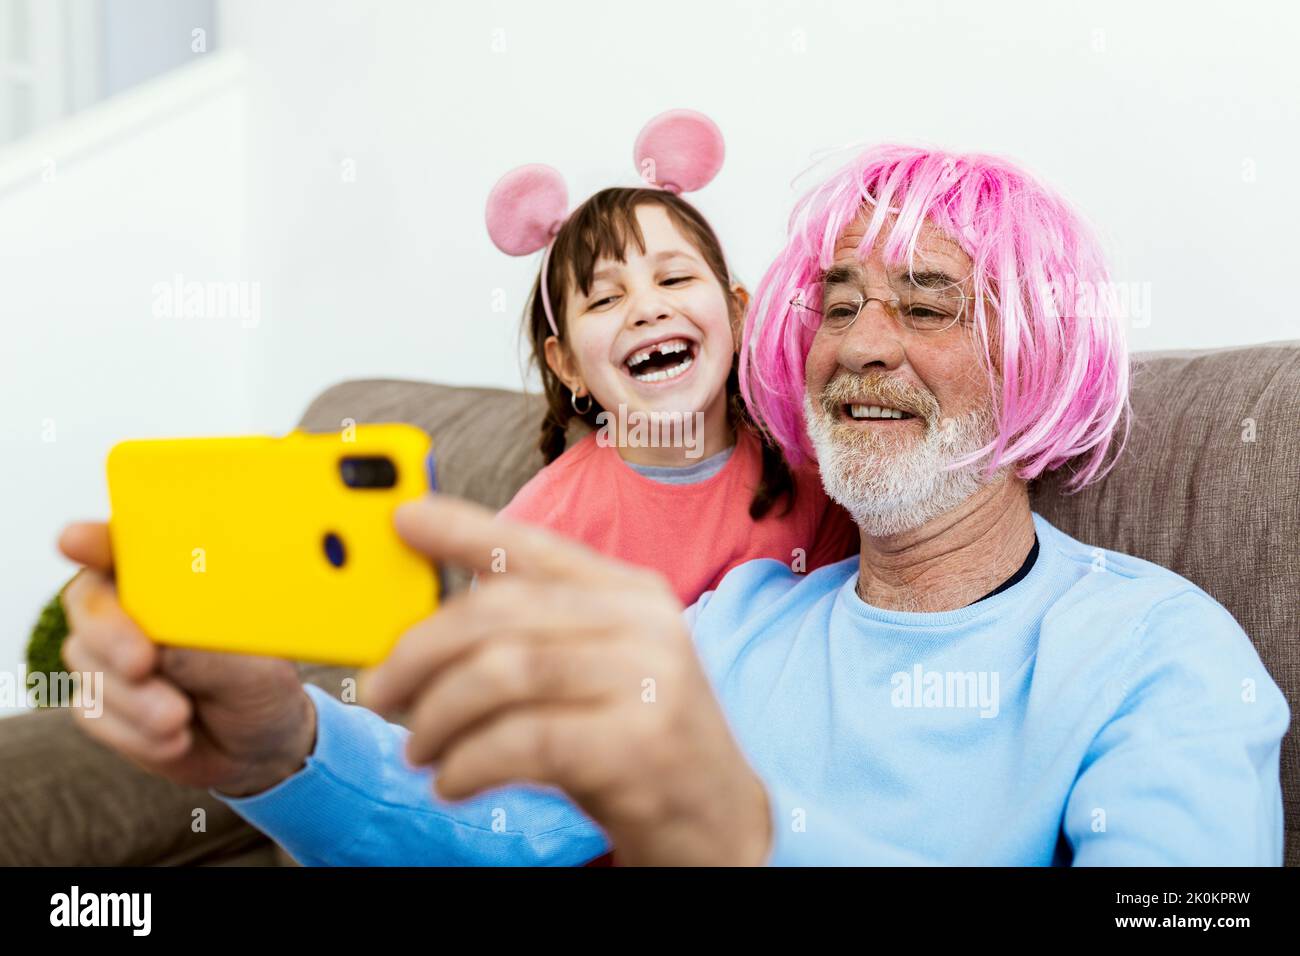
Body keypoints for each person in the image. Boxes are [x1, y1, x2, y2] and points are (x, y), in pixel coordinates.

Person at [59, 144, 1290, 865]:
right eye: (836, 302)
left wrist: (746, 829)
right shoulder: (736, 618)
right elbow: (498, 827)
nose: (860, 341)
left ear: (1038, 358)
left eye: (923, 304)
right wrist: (285, 746)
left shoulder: (1159, 648)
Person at [488, 110, 856, 608]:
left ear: (735, 315)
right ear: (567, 365)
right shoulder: (536, 530)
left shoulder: (820, 487)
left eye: (674, 279)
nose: (647, 308)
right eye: (604, 299)